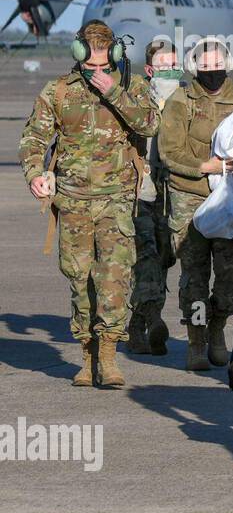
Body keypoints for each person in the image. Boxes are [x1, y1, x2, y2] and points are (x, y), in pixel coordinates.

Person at [19, 20, 159, 387]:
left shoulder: (132, 86)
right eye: (90, 66)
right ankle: (87, 354)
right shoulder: (59, 91)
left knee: (114, 279)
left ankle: (109, 357)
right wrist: (35, 173)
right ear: (78, 56)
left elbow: (149, 125)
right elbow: (34, 138)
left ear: (114, 56)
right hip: (73, 202)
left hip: (116, 200)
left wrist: (114, 92)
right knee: (80, 281)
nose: (97, 72)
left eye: (103, 65)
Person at [158, 38, 233, 371]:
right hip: (190, 196)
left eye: (218, 67)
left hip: (229, 199)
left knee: (230, 275)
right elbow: (170, 151)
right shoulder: (180, 101)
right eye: (205, 68)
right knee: (194, 277)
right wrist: (206, 166)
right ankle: (196, 341)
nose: (212, 74)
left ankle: (218, 329)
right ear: (194, 68)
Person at [125, 39, 179, 356]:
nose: (171, 71)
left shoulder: (184, 99)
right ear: (149, 70)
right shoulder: (135, 99)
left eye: (175, 65)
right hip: (141, 190)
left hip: (172, 193)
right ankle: (146, 322)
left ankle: (142, 317)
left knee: (163, 257)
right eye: (164, 66)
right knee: (145, 255)